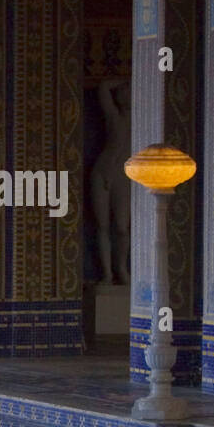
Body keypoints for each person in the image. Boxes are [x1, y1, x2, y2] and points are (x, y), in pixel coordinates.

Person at [90, 77, 131, 286]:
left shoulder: (141, 121)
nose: (125, 95)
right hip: (103, 171)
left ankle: (121, 268)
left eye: (129, 91)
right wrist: (125, 76)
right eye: (123, 92)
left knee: (122, 227)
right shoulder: (113, 116)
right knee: (102, 225)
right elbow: (104, 86)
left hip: (124, 175)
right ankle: (106, 273)